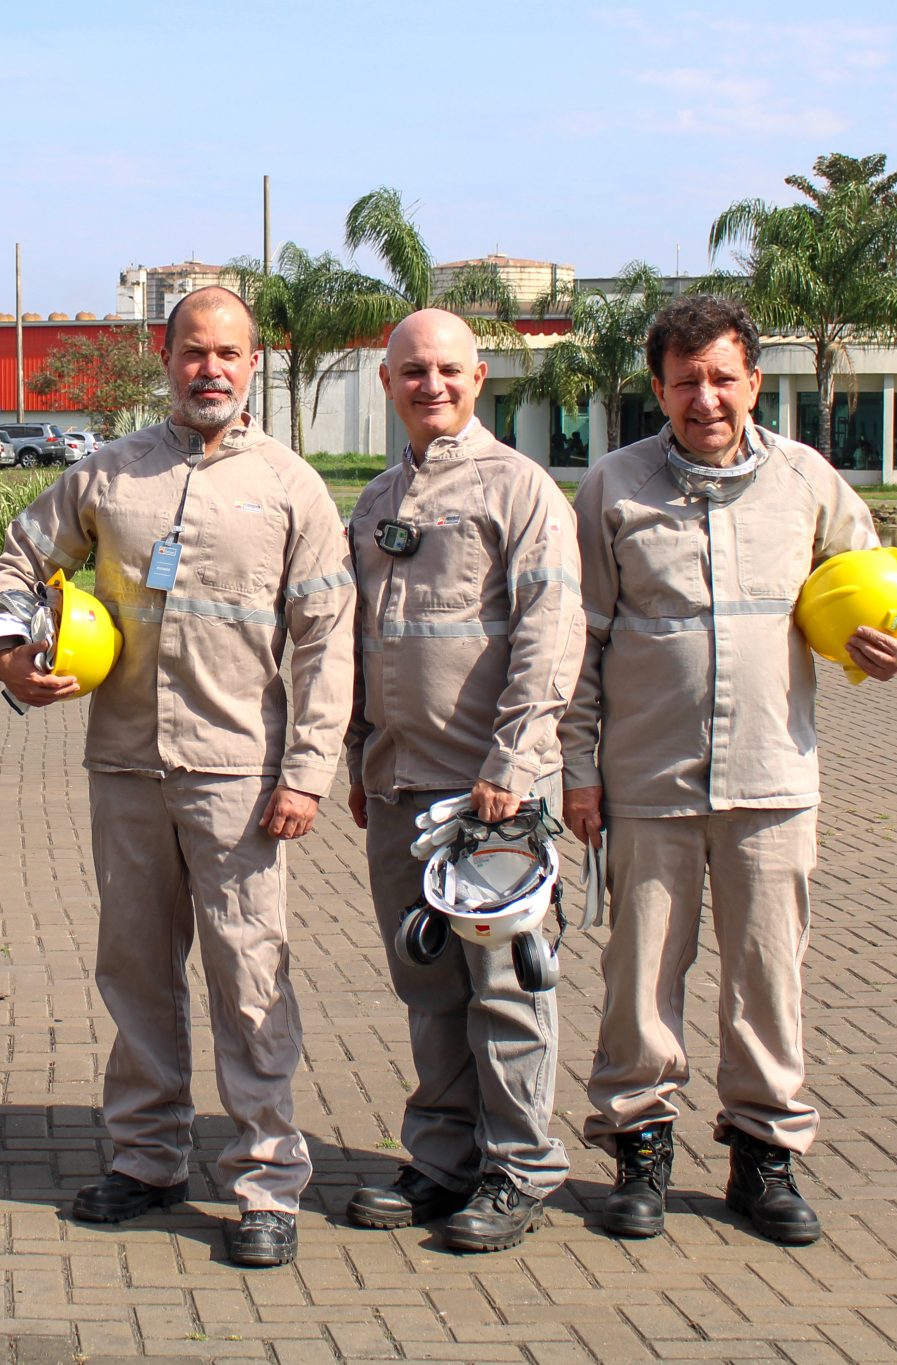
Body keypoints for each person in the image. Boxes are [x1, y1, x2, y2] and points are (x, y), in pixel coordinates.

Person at [0, 286, 354, 1268]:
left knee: (247, 976)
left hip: (240, 775)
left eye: (228, 353)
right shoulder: (107, 475)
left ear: (251, 361)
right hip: (124, 768)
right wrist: (11, 657)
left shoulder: (289, 487)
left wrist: (308, 771)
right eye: (194, 352)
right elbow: (13, 567)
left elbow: (326, 642)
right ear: (166, 355)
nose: (211, 370)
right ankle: (146, 1161)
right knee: (137, 973)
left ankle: (266, 1181)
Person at [560, 294, 897, 1246]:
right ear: (658, 388)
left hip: (772, 777)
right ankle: (639, 1146)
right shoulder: (612, 488)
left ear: (755, 381)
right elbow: (580, 645)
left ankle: (765, 1154)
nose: (706, 399)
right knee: (640, 976)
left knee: (768, 975)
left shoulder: (807, 481)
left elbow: (877, 580)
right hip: (648, 782)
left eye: (724, 378)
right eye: (686, 381)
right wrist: (578, 772)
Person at [341, 310, 585, 1252]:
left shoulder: (520, 490)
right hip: (402, 788)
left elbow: (550, 631)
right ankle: (442, 1159)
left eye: (448, 369)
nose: (430, 384)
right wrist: (365, 752)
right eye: (412, 370)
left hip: (491, 795)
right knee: (428, 982)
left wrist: (515, 766)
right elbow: (368, 641)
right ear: (387, 382)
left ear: (479, 377)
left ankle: (519, 1166)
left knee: (506, 990)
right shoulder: (375, 501)